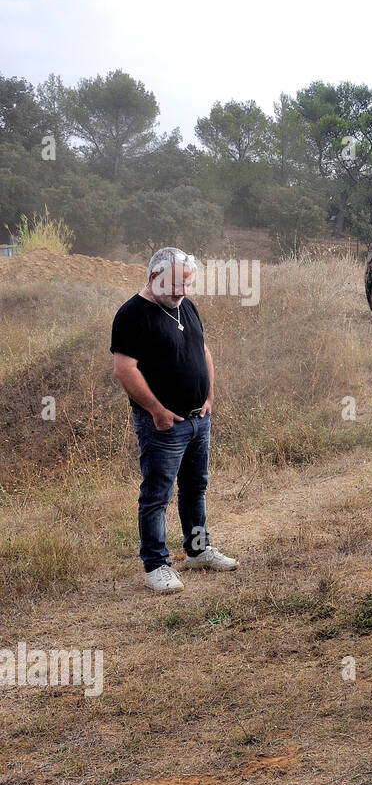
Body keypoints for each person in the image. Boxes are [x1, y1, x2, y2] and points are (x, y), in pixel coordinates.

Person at [110, 247, 238, 592]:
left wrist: (209, 396)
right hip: (163, 425)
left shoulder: (186, 306)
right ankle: (156, 566)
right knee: (157, 495)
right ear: (153, 277)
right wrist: (156, 410)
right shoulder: (132, 314)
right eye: (174, 286)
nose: (181, 292)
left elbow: (203, 350)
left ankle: (197, 550)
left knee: (195, 488)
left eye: (187, 285)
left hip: (199, 420)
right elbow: (125, 369)